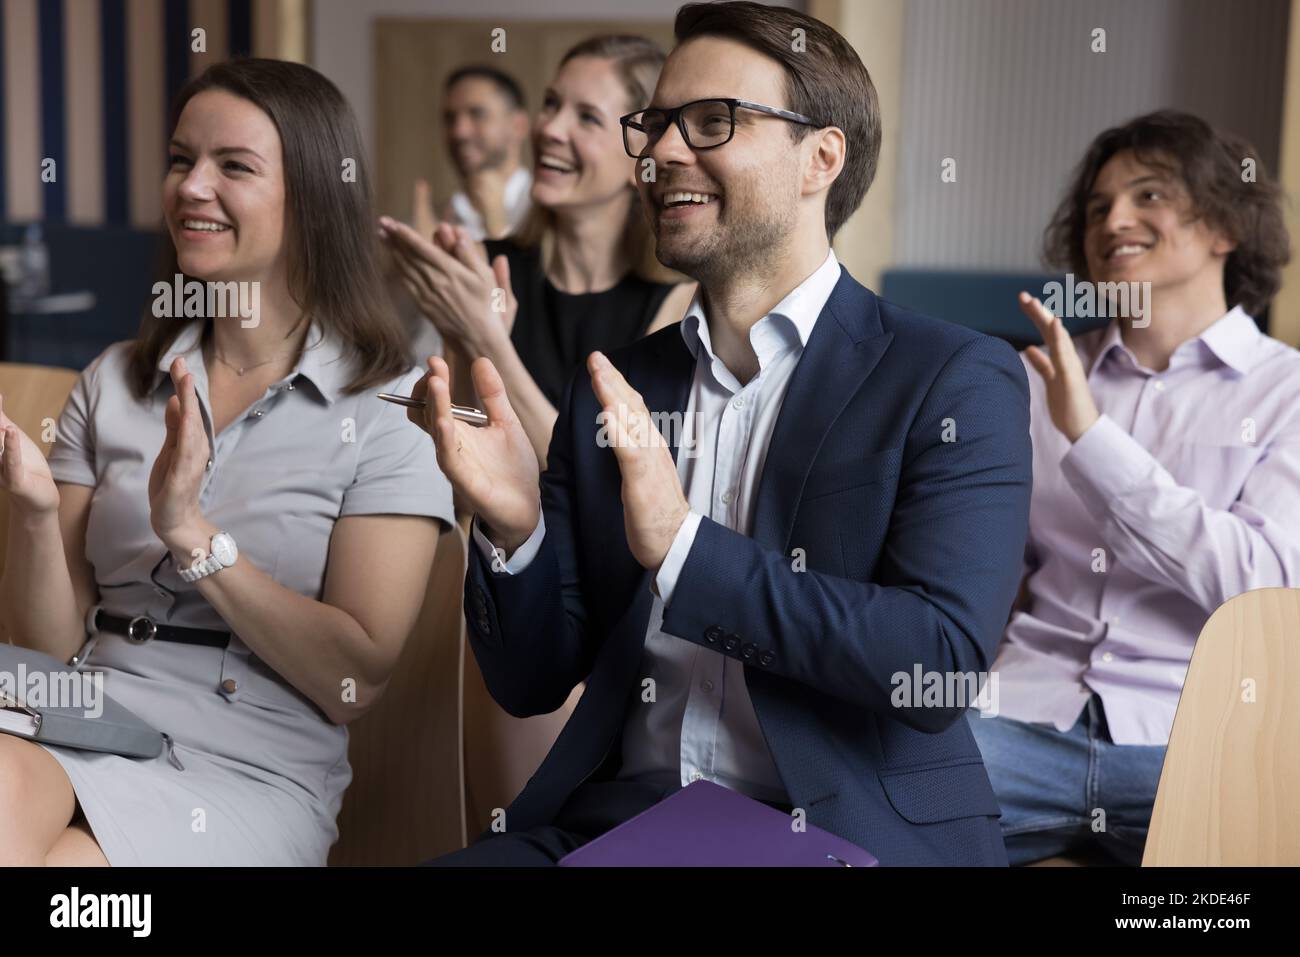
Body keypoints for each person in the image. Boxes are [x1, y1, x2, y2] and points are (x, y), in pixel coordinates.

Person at [413, 1, 1032, 867]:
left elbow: (936, 664)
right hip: (619, 830)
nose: (663, 153)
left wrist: (683, 548)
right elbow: (530, 684)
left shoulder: (953, 377)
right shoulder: (612, 387)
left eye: (711, 123)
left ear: (821, 157)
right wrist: (517, 531)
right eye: (657, 123)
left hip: (848, 839)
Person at [0, 58, 453, 866]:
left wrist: (190, 532)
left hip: (247, 765)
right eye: (181, 159)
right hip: (81, 718)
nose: (190, 187)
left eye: (232, 166)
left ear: (313, 197)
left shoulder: (390, 407)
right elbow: (48, 644)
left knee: (76, 887)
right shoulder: (114, 380)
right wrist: (34, 514)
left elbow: (355, 675)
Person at [968, 109, 1300, 866]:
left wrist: (1091, 440)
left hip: (1197, 740)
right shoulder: (1030, 377)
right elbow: (980, 569)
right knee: (865, 808)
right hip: (1018, 720)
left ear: (1225, 227)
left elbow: (1262, 590)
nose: (1114, 218)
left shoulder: (1289, 392)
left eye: (1148, 196)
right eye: (1098, 207)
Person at [382, 35, 696, 464]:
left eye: (587, 118)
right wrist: (462, 340)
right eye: (551, 103)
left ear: (641, 160)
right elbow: (462, 465)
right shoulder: (487, 268)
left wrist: (488, 342)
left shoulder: (677, 305)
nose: (549, 128)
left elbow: (601, 482)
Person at [417, 65, 533, 243]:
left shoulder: (548, 211)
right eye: (450, 118)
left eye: (477, 114)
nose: (459, 132)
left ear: (518, 126)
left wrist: (498, 230)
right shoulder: (435, 219)